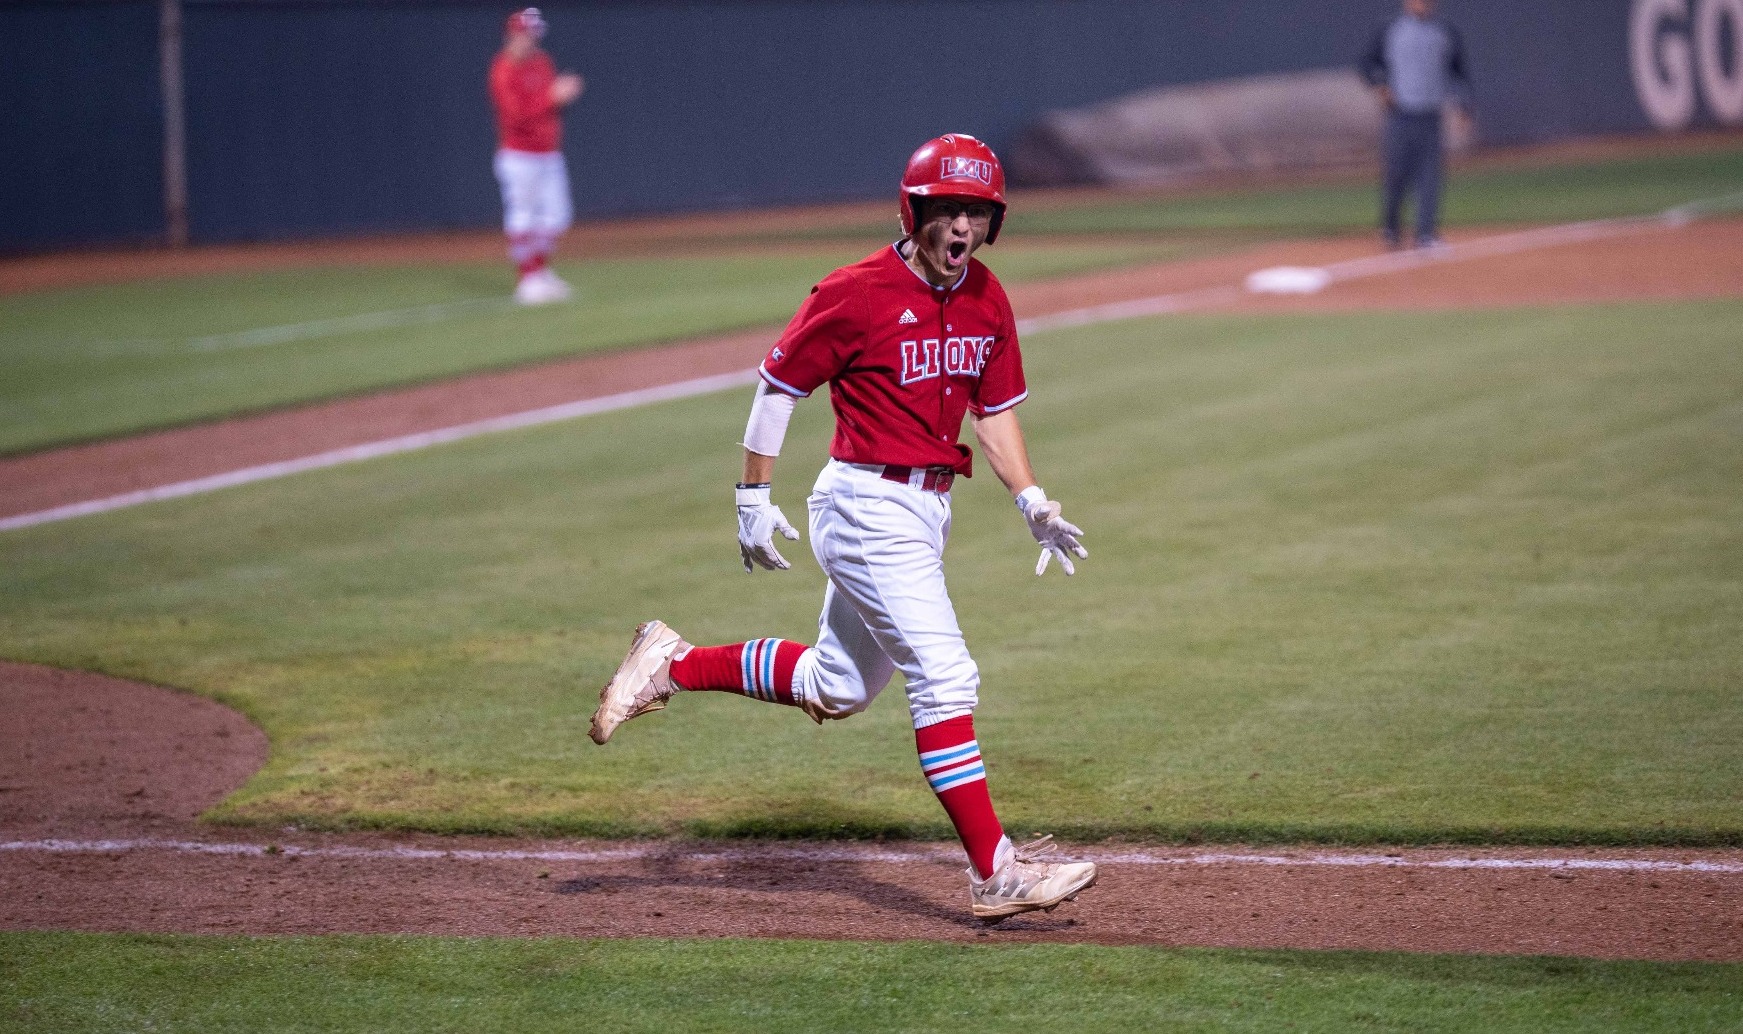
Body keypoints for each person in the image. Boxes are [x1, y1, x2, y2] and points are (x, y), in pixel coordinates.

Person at [589, 134, 1097, 922]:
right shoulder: (855, 290)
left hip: (925, 509)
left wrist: (1031, 499)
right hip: (865, 507)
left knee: (840, 685)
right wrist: (752, 496)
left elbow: (992, 414)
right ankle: (995, 873)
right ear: (914, 210)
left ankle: (672, 663)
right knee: (945, 675)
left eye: (975, 211)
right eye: (947, 210)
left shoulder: (986, 297)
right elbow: (776, 387)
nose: (961, 226)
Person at [1359, 0, 1474, 250]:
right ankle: (1391, 229)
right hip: (1400, 115)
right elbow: (1367, 63)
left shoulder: (1445, 32)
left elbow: (1459, 71)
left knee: (1430, 177)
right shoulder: (1390, 29)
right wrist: (1381, 86)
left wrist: (1464, 107)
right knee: (1397, 176)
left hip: (1431, 115)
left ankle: (1426, 234)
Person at [488, 7, 583, 305]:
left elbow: (550, 107)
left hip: (548, 153)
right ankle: (527, 279)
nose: (530, 40)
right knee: (522, 215)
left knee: (558, 215)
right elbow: (516, 116)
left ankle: (540, 272)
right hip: (519, 155)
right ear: (512, 35)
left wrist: (561, 97)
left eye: (533, 35)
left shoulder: (543, 62)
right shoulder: (503, 70)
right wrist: (552, 97)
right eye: (525, 34)